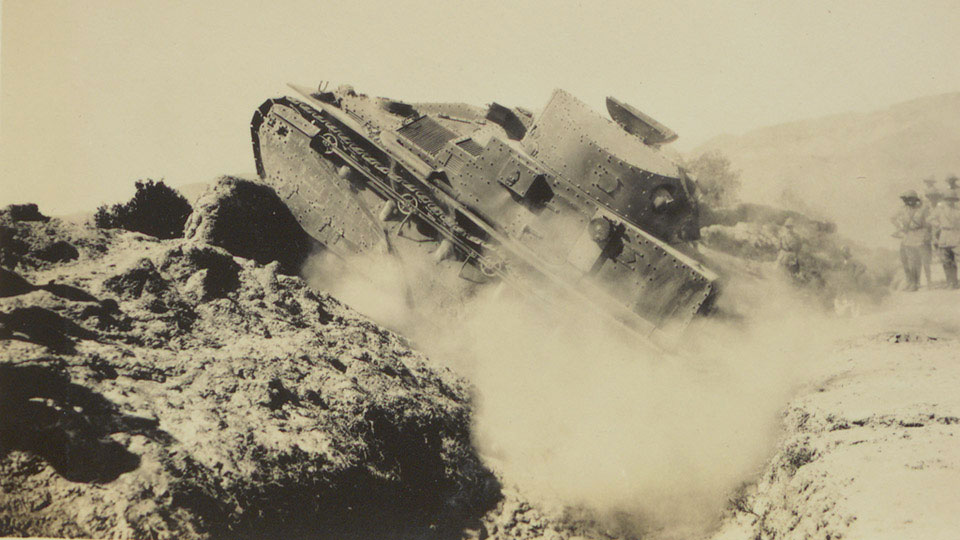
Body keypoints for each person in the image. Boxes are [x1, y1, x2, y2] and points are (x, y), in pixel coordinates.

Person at [891, 190, 926, 291]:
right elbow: (892, 218)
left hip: (917, 235)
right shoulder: (903, 210)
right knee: (904, 259)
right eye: (908, 199)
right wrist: (899, 227)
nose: (910, 201)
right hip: (906, 235)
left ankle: (915, 283)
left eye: (912, 199)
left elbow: (925, 225)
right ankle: (909, 281)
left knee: (913, 260)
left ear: (916, 200)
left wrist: (922, 237)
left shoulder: (921, 210)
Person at [931, 190, 960, 289]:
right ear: (945, 200)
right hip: (944, 236)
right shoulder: (940, 210)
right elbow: (930, 219)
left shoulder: (958, 210)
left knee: (955, 260)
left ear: (954, 200)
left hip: (955, 235)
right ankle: (950, 282)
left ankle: (955, 282)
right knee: (946, 261)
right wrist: (938, 224)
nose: (949, 201)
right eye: (947, 199)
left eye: (951, 199)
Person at [920, 187, 942, 287]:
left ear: (938, 198)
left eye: (935, 197)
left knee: (946, 257)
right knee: (926, 258)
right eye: (931, 197)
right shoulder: (925, 208)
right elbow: (922, 221)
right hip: (927, 235)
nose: (933, 199)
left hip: (940, 234)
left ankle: (950, 279)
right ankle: (929, 280)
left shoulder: (941, 208)